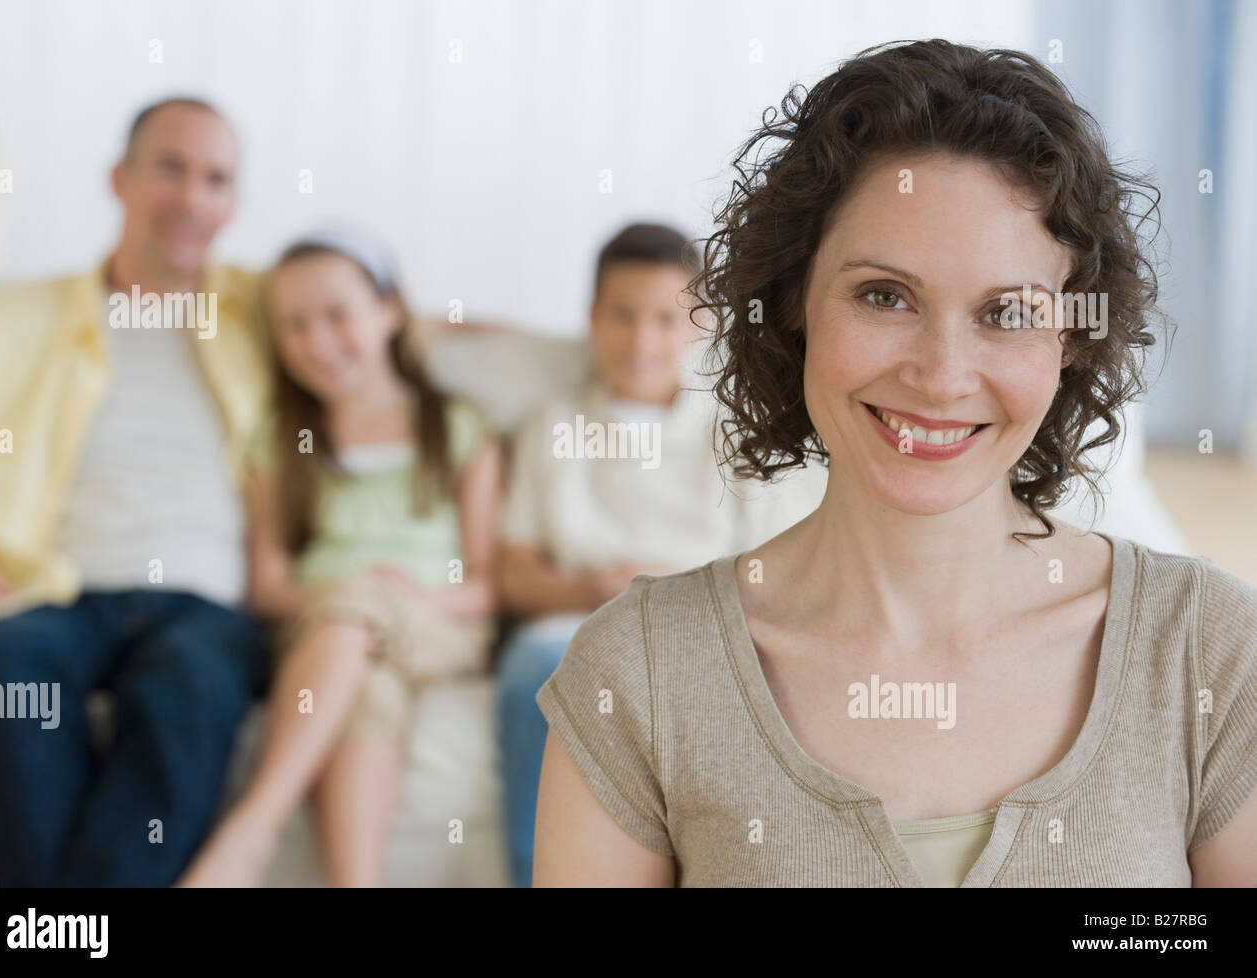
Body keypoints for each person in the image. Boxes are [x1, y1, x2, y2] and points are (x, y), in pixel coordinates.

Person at [532, 40, 1257, 887]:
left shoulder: (1209, 650)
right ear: (795, 300)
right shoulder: (638, 675)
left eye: (1008, 312)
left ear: (1071, 342)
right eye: (885, 296)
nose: (941, 375)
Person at [0, 97, 272, 886]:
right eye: (170, 167)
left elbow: (381, 320)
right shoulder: (4, 320)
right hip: (51, 591)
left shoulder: (265, 312)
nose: (192, 198)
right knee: (1, 667)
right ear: (119, 178)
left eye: (216, 179)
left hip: (203, 606)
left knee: (188, 689)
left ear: (233, 204)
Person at [495, 222, 819, 887]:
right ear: (591, 318)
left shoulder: (736, 429)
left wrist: (679, 594)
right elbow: (513, 571)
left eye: (665, 319)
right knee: (535, 663)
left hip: (702, 626)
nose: (642, 341)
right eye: (621, 316)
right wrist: (588, 591)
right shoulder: (554, 426)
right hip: (578, 631)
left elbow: (780, 568)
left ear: (699, 323)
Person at [178, 228, 501, 887]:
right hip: (325, 635)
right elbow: (267, 586)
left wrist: (398, 599)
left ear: (387, 311)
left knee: (357, 612)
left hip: (439, 625)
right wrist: (349, 598)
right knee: (368, 691)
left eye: (337, 316)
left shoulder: (457, 426)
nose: (318, 342)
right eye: (294, 325)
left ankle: (250, 834)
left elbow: (487, 587)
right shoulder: (280, 439)